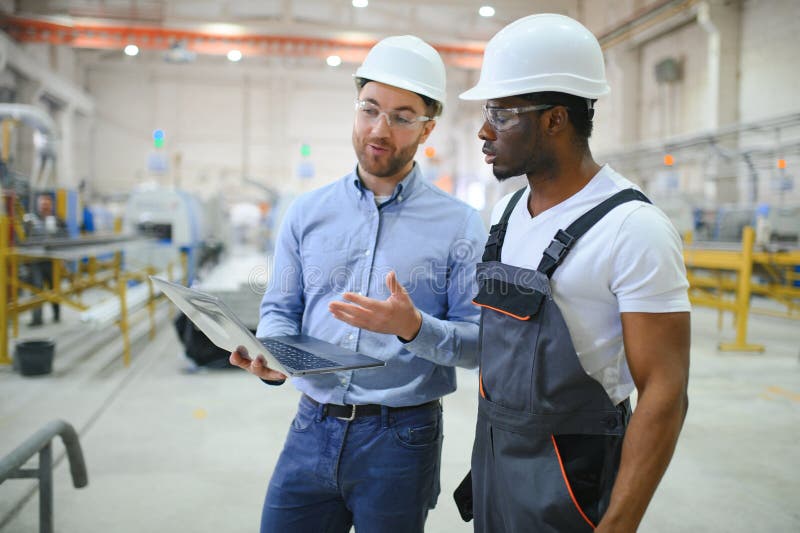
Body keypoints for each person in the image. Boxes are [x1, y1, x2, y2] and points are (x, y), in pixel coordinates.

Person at [229, 35, 486, 533]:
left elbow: (480, 344)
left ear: (428, 128)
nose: (380, 128)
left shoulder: (459, 225)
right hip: (311, 424)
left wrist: (415, 328)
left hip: (401, 438)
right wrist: (273, 358)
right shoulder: (306, 213)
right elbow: (281, 307)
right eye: (370, 109)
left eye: (402, 116)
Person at [456, 14, 691, 532]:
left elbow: (666, 391)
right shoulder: (506, 213)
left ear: (555, 120)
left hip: (573, 483)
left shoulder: (633, 228)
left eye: (500, 112)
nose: (483, 129)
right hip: (495, 468)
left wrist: (619, 524)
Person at [23, 193, 67, 326]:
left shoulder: (58, 220)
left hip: (52, 261)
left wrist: (63, 259)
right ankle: (37, 319)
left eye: (47, 204)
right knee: (36, 289)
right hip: (35, 261)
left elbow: (65, 238)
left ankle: (56, 313)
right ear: (38, 206)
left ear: (51, 206)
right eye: (42, 204)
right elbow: (23, 237)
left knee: (54, 288)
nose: (44, 207)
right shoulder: (30, 221)